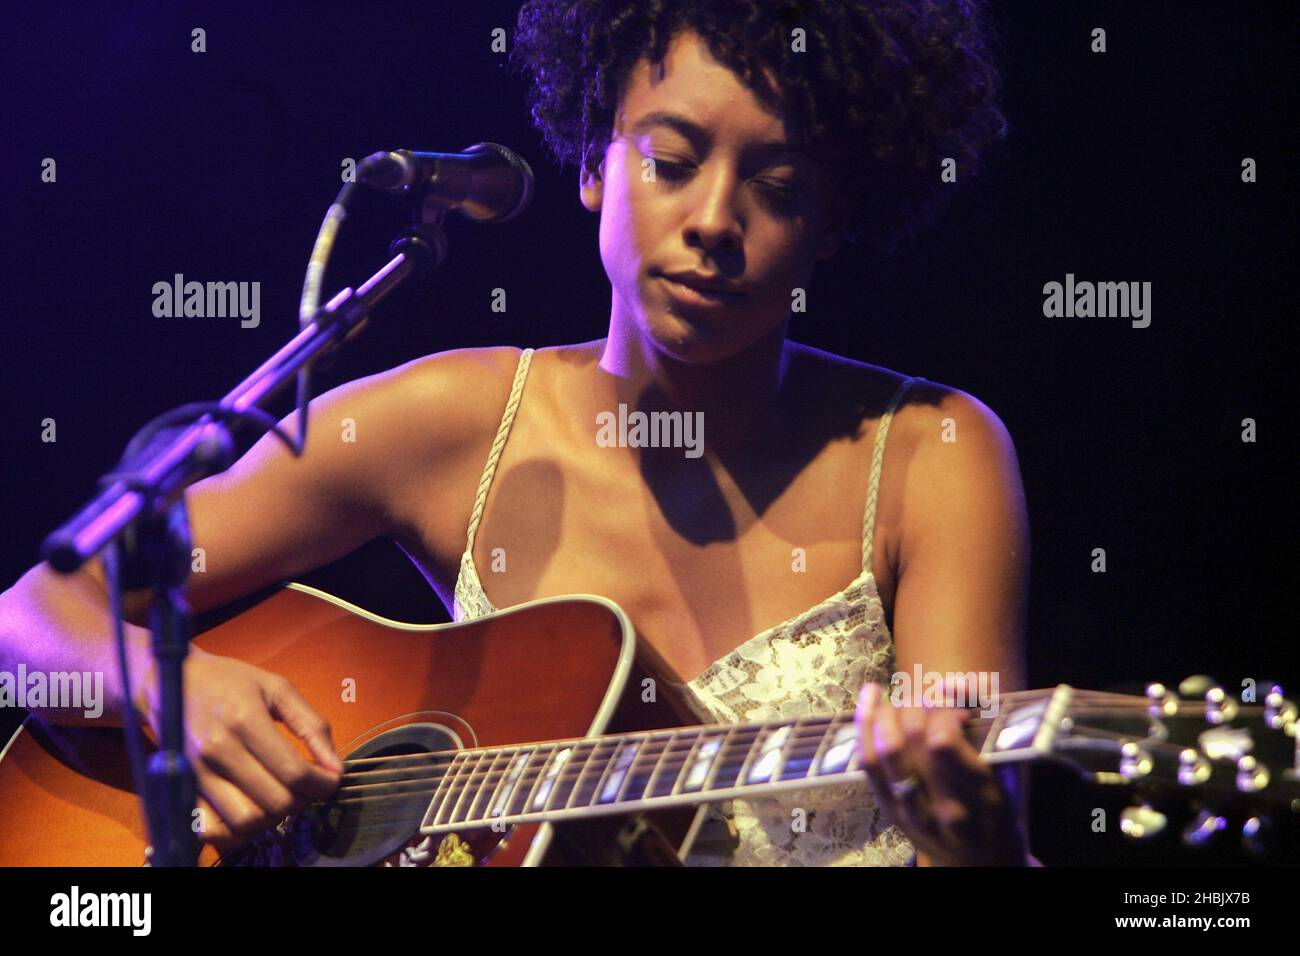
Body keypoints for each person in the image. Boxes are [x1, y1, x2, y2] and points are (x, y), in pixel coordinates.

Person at [0, 0, 1034, 865]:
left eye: (778, 187)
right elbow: (31, 615)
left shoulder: (932, 458)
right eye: (670, 160)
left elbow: (979, 805)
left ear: (833, 224)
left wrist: (979, 842)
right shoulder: (455, 419)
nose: (716, 219)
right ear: (592, 163)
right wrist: (170, 689)